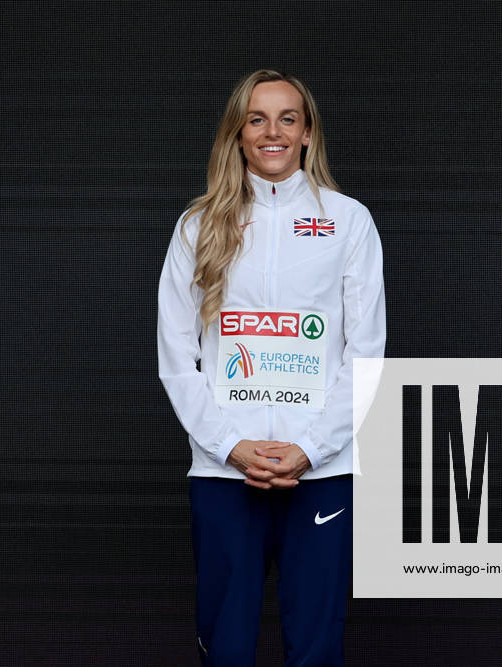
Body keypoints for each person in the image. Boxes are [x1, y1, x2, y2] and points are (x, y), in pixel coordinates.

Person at [157, 69, 385, 666]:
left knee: (315, 647)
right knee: (225, 648)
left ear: (307, 133)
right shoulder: (196, 226)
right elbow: (177, 359)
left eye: (287, 118)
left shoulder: (349, 222)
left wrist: (311, 448)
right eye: (257, 119)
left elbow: (365, 354)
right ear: (238, 134)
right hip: (224, 472)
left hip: (323, 471)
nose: (272, 132)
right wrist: (231, 445)